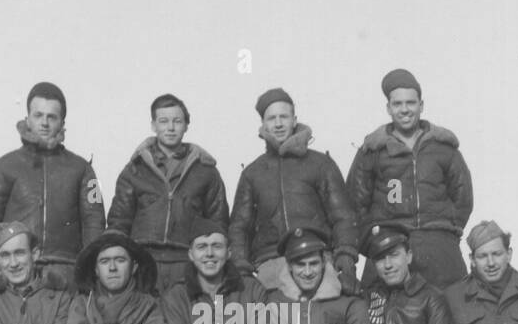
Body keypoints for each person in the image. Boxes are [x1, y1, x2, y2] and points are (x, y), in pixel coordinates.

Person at [346, 68, 474, 295]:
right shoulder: (373, 150)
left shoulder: (443, 147)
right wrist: (376, 240)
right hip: (389, 246)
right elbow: (355, 203)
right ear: (388, 108)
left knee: (449, 310)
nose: (405, 110)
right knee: (381, 316)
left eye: (411, 103)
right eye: (397, 104)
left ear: (421, 105)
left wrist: (444, 230)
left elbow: (463, 197)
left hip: (438, 247)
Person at [0, 81, 104, 290]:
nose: (44, 123)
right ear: (27, 119)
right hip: (15, 277)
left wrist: (92, 270)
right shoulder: (5, 167)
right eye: (38, 115)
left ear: (62, 122)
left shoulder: (84, 171)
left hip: (66, 278)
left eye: (52, 117)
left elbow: (95, 221)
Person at [228, 88, 358, 292]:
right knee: (273, 321)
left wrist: (346, 256)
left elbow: (342, 215)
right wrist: (241, 268)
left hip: (318, 260)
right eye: (271, 118)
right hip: (270, 264)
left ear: (294, 120)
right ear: (263, 124)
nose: (278, 124)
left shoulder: (321, 164)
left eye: (284, 117)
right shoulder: (252, 173)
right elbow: (239, 227)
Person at [107, 93, 230, 293]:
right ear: (153, 125)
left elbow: (218, 221)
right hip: (144, 259)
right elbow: (119, 221)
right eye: (163, 121)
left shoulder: (206, 171)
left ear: (186, 125)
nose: (170, 128)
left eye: (177, 121)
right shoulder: (134, 170)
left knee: (184, 318)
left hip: (187, 261)